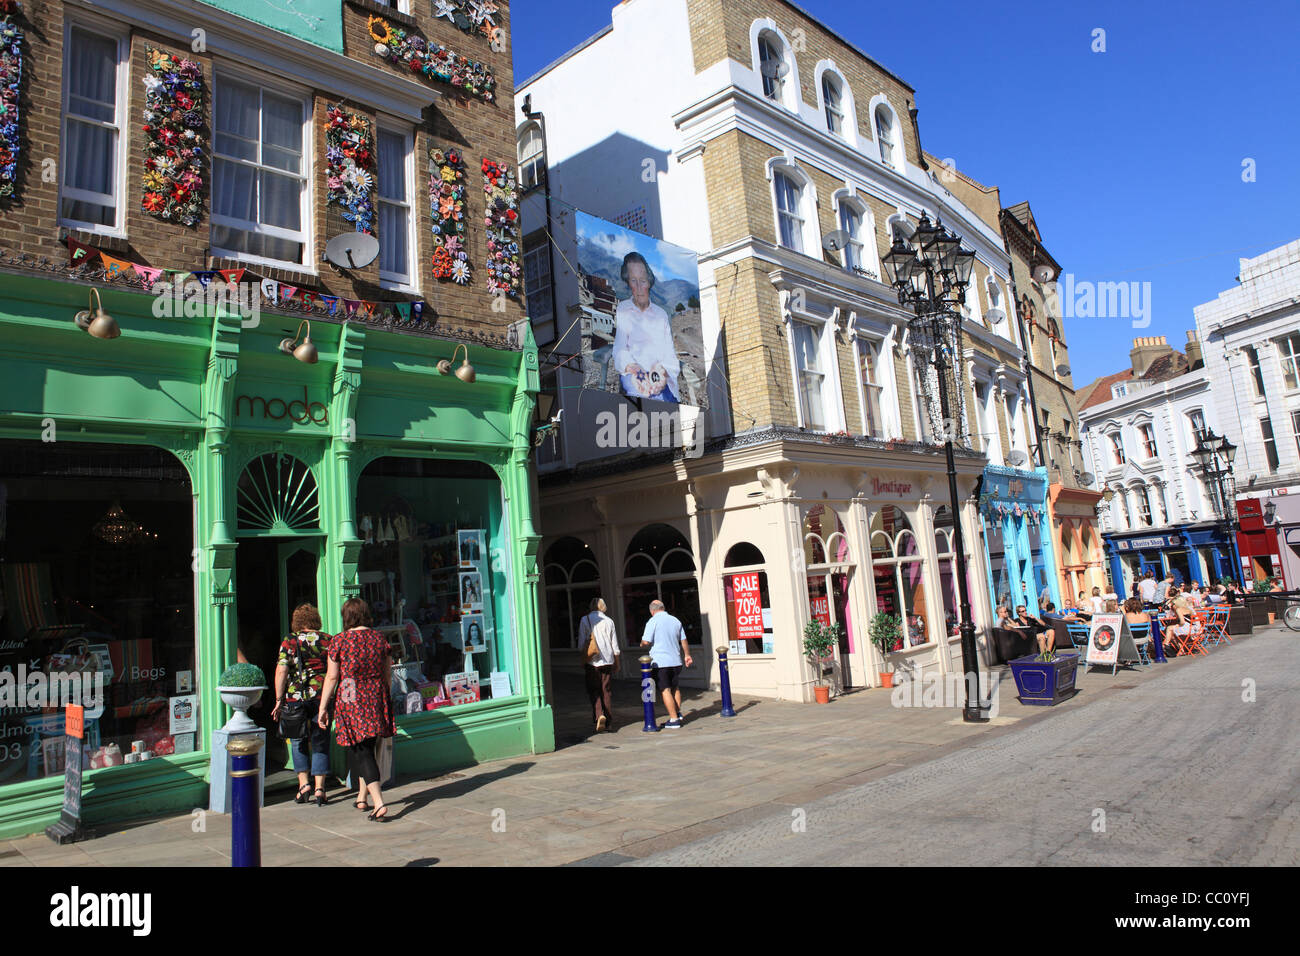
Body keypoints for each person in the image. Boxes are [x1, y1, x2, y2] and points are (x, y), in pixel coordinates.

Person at [318, 598, 395, 821]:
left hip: (351, 697)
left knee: (361, 752)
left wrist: (323, 706)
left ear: (347, 617)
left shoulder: (340, 641)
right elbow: (387, 674)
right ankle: (362, 797)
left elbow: (332, 676)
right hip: (375, 695)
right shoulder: (379, 639)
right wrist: (385, 696)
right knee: (367, 748)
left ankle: (379, 803)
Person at [272, 604, 332, 806]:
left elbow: (282, 671)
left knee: (297, 740)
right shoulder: (327, 640)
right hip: (322, 697)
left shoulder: (290, 640)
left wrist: (279, 699)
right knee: (320, 739)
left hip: (295, 697)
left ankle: (304, 784)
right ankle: (320, 788)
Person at [611, 252, 680, 402]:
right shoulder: (623, 309)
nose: (639, 287)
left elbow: (669, 354)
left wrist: (662, 371)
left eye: (642, 281)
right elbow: (619, 349)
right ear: (628, 283)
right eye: (633, 280)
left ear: (649, 282)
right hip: (635, 375)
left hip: (660, 374)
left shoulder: (661, 314)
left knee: (667, 407)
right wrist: (634, 369)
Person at [639, 599, 693, 729]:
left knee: (665, 689)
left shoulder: (652, 621)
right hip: (676, 660)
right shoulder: (675, 620)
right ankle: (677, 713)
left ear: (652, 611)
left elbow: (646, 642)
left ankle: (674, 719)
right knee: (675, 688)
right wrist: (687, 655)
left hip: (660, 661)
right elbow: (683, 639)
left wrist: (641, 643)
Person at [577, 597, 620, 732]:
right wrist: (617, 663)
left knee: (593, 690)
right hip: (607, 660)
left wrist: (583, 655)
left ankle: (599, 714)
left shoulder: (585, 620)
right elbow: (615, 645)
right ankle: (608, 722)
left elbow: (581, 644)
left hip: (592, 661)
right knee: (606, 691)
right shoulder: (609, 621)